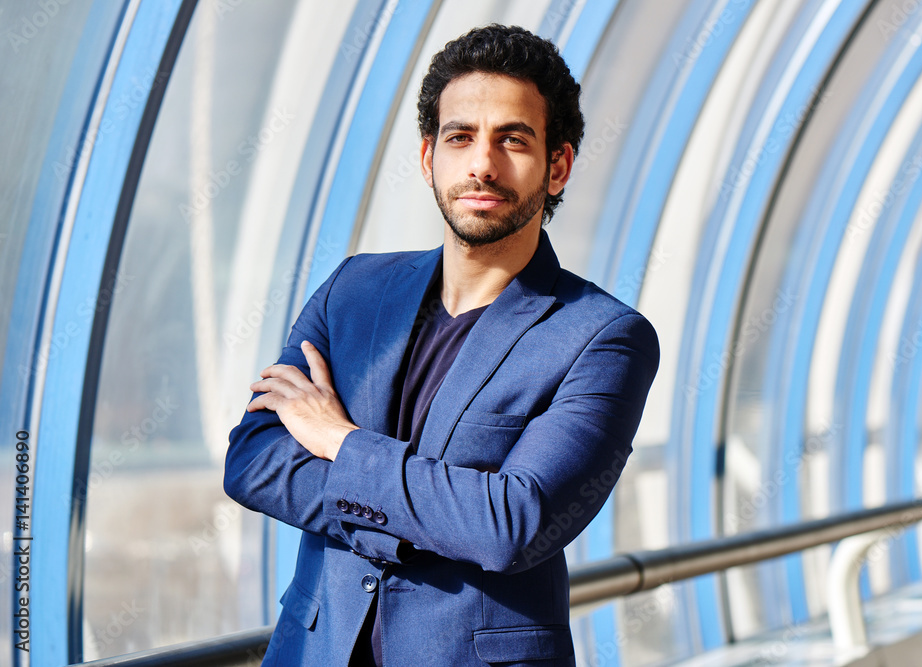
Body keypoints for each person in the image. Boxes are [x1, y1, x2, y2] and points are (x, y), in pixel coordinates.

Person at [224, 24, 659, 666]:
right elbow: (254, 462)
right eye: (460, 138)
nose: (482, 163)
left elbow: (513, 524)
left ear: (558, 166)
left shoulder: (603, 337)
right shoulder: (353, 291)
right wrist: (435, 509)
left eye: (513, 139)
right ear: (429, 157)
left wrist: (337, 442)